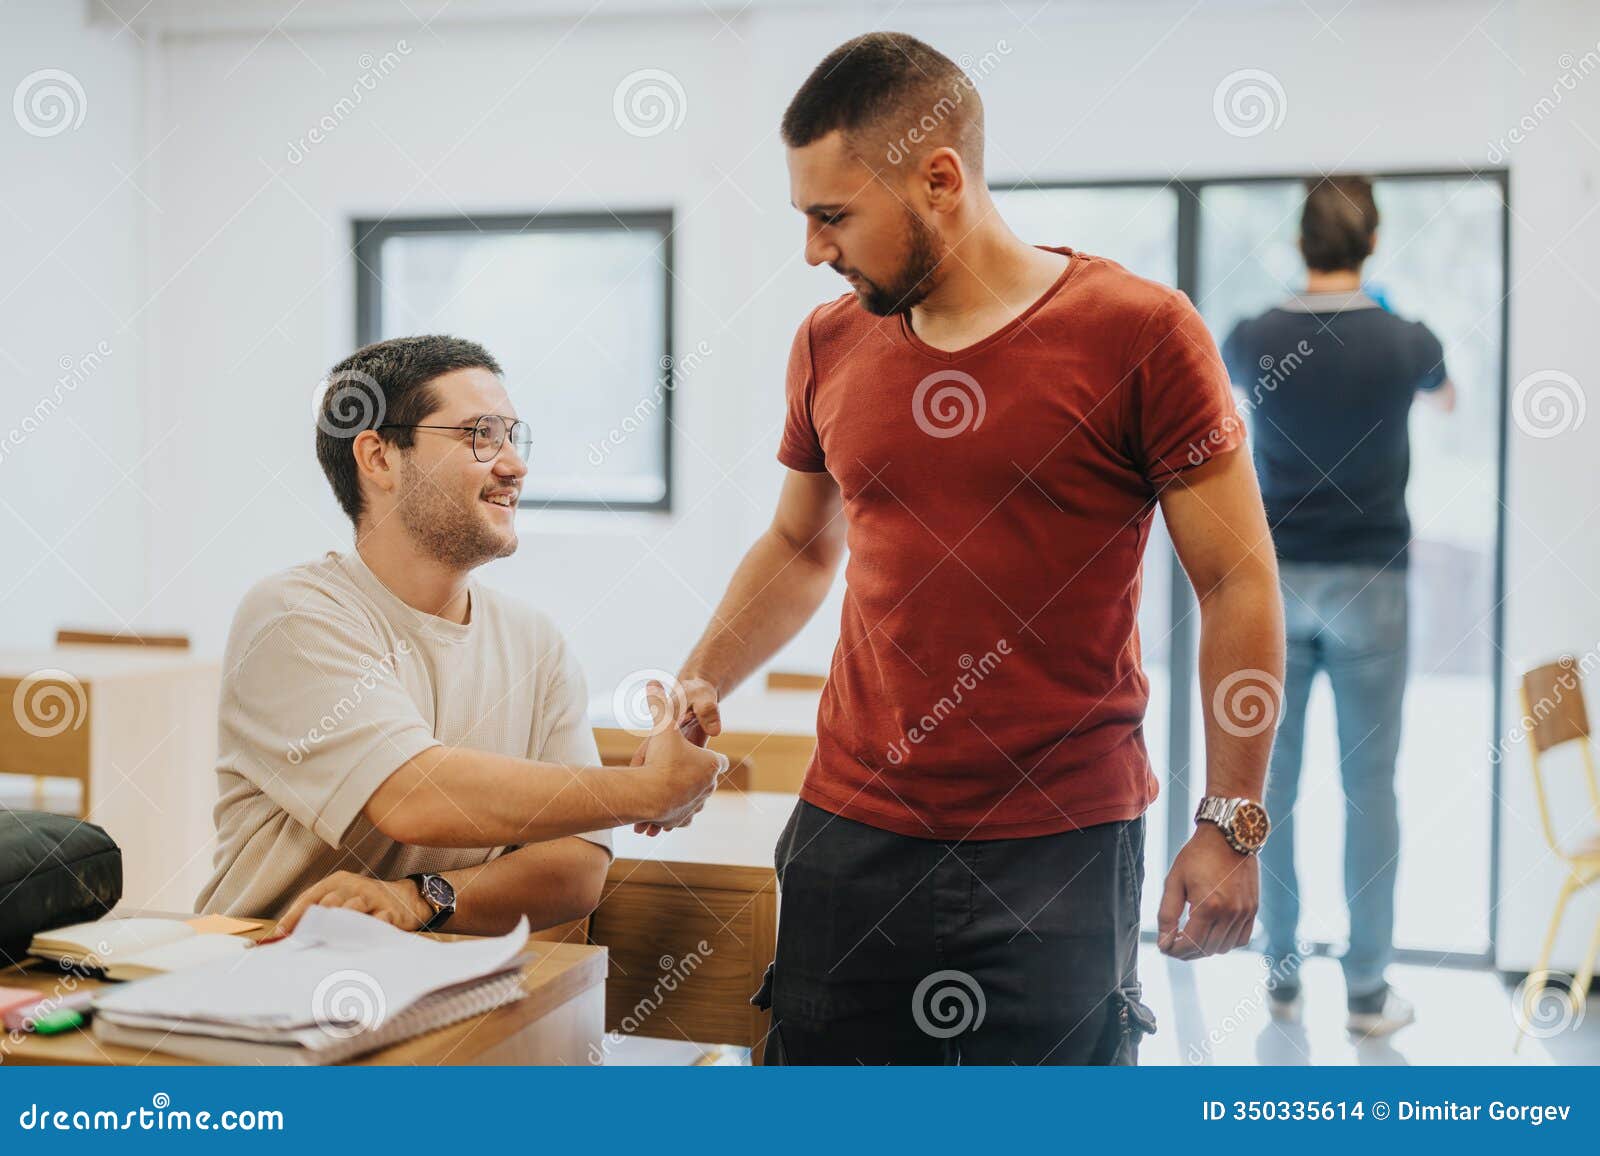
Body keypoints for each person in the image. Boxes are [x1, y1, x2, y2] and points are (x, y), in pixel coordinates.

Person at [637, 33, 1285, 1064]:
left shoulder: (1140, 333)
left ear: (939, 180)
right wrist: (697, 683)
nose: (812, 248)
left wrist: (1232, 820)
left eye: (832, 215)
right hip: (849, 832)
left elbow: (1235, 580)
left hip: (1059, 847)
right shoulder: (827, 343)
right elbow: (800, 544)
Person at [197, 335, 726, 934]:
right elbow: (412, 795)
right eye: (480, 435)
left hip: (441, 987)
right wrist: (647, 790)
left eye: (513, 436)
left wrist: (420, 898)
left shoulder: (535, 641)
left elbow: (577, 868)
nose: (515, 464)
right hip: (261, 977)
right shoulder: (294, 616)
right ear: (378, 458)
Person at [1221, 177, 1455, 1038]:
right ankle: (1366, 994)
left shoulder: (1251, 339)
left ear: (1300, 242)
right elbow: (1447, 396)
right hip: (1374, 584)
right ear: (1371, 240)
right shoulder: (1407, 339)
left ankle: (1279, 977)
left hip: (1274, 582)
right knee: (1371, 788)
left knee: (1268, 785)